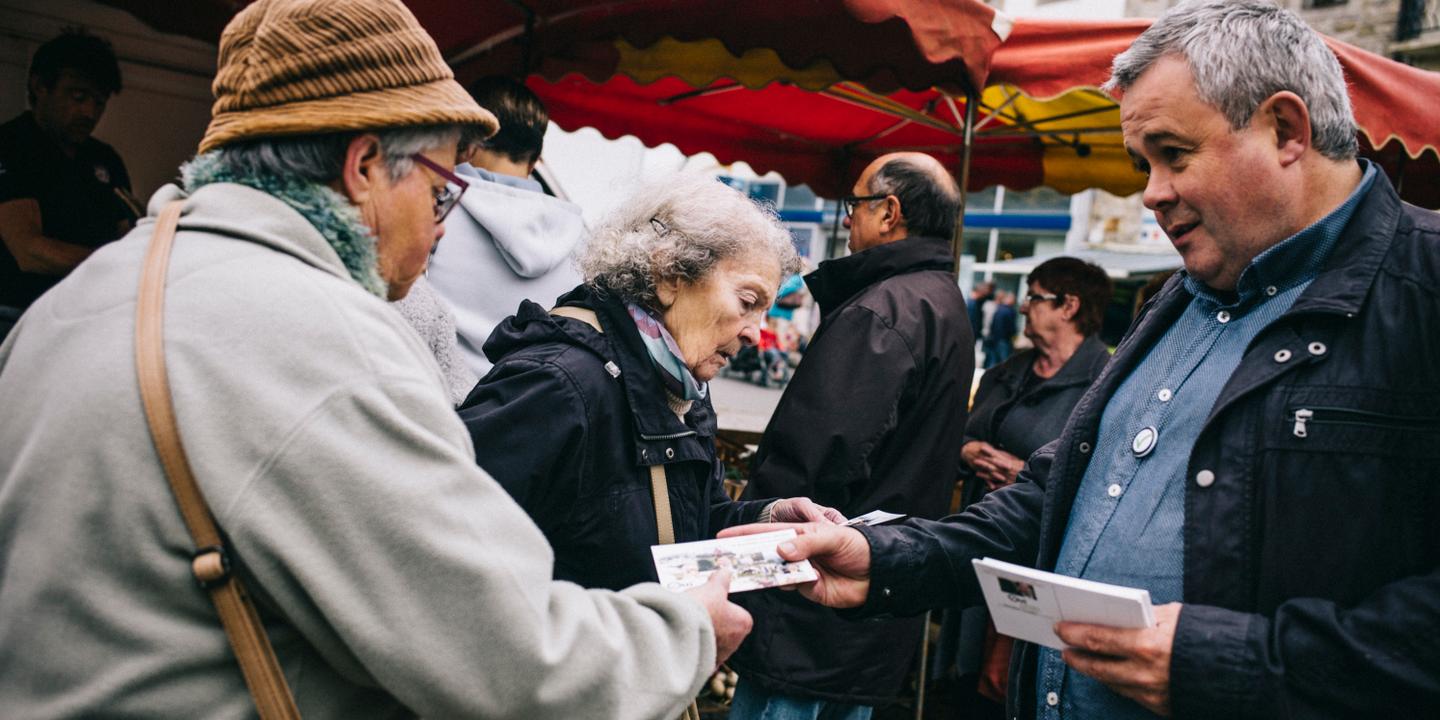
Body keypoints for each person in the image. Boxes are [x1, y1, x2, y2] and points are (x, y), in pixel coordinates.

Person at [0, 1, 752, 717]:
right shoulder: (321, 337)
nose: (442, 232)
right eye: (441, 192)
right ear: (363, 165)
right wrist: (685, 633)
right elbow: (508, 658)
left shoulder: (87, 292)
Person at [721, 2, 1440, 718]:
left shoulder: (1423, 286)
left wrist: (1238, 666)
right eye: (1143, 162)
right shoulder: (1179, 299)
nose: (1153, 192)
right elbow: (1055, 499)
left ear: (1286, 130)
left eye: (1174, 154)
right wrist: (888, 558)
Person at [456, 173, 842, 591]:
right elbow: (451, 560)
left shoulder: (682, 384)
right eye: (747, 302)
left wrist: (766, 520)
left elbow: (689, 525)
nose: (754, 332)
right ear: (670, 274)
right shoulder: (556, 385)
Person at [727, 152, 975, 720]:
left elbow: (812, 463)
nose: (846, 219)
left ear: (889, 212)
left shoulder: (884, 309)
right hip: (868, 603)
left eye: (855, 204)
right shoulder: (940, 300)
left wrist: (746, 553)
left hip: (813, 605)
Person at [937, 257, 1113, 716]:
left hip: (1043, 561)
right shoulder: (1007, 372)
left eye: (1035, 296)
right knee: (962, 677)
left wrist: (1030, 476)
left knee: (1010, 688)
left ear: (1069, 306)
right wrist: (970, 450)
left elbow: (1108, 476)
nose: (1023, 307)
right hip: (980, 539)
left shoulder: (1106, 383)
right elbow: (956, 435)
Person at [424, 75, 586, 378]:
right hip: (523, 408)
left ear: (466, 145)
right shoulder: (583, 242)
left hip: (439, 399)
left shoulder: (430, 209)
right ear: (536, 158)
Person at [0, 29, 135, 341]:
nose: (89, 112)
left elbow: (127, 233)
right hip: (18, 313)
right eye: (78, 97)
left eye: (99, 103)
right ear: (40, 87)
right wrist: (116, 264)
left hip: (89, 315)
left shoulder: (105, 159)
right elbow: (29, 250)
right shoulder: (11, 145)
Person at [983, 289, 1018, 369]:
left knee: (993, 360)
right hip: (1003, 339)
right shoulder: (1008, 311)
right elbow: (1011, 327)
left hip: (995, 338)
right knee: (1003, 362)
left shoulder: (999, 309)